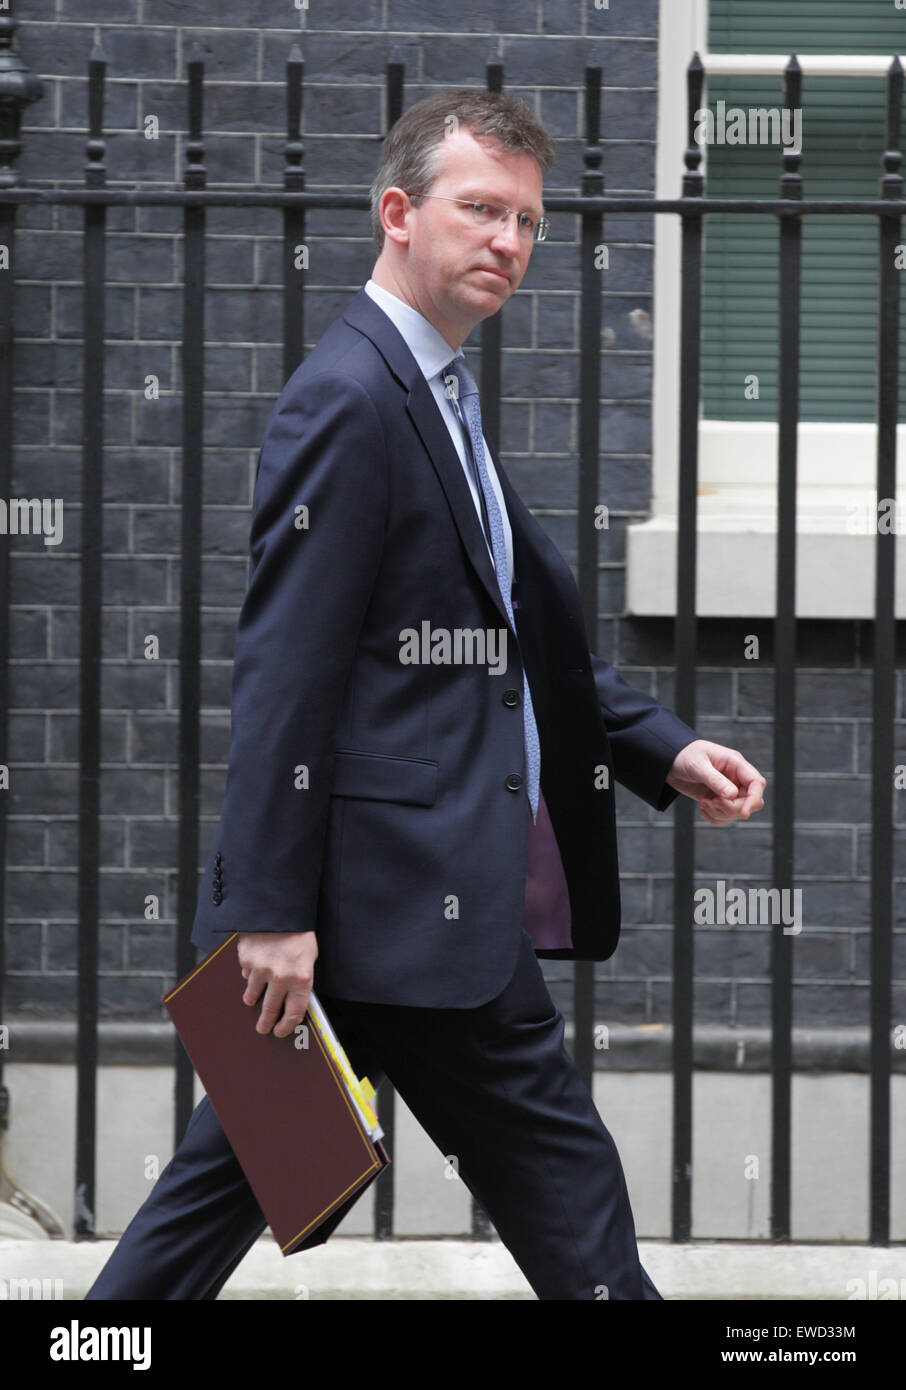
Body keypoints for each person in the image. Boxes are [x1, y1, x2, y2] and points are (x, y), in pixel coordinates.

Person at [86, 88, 765, 1302]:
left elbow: (498, 634)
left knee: (534, 1196)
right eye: (481, 210)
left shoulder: (434, 392)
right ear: (398, 213)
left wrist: (656, 745)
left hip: (422, 902)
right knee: (548, 1195)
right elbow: (285, 671)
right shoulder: (349, 399)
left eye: (529, 222)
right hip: (363, 912)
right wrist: (271, 915)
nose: (508, 239)